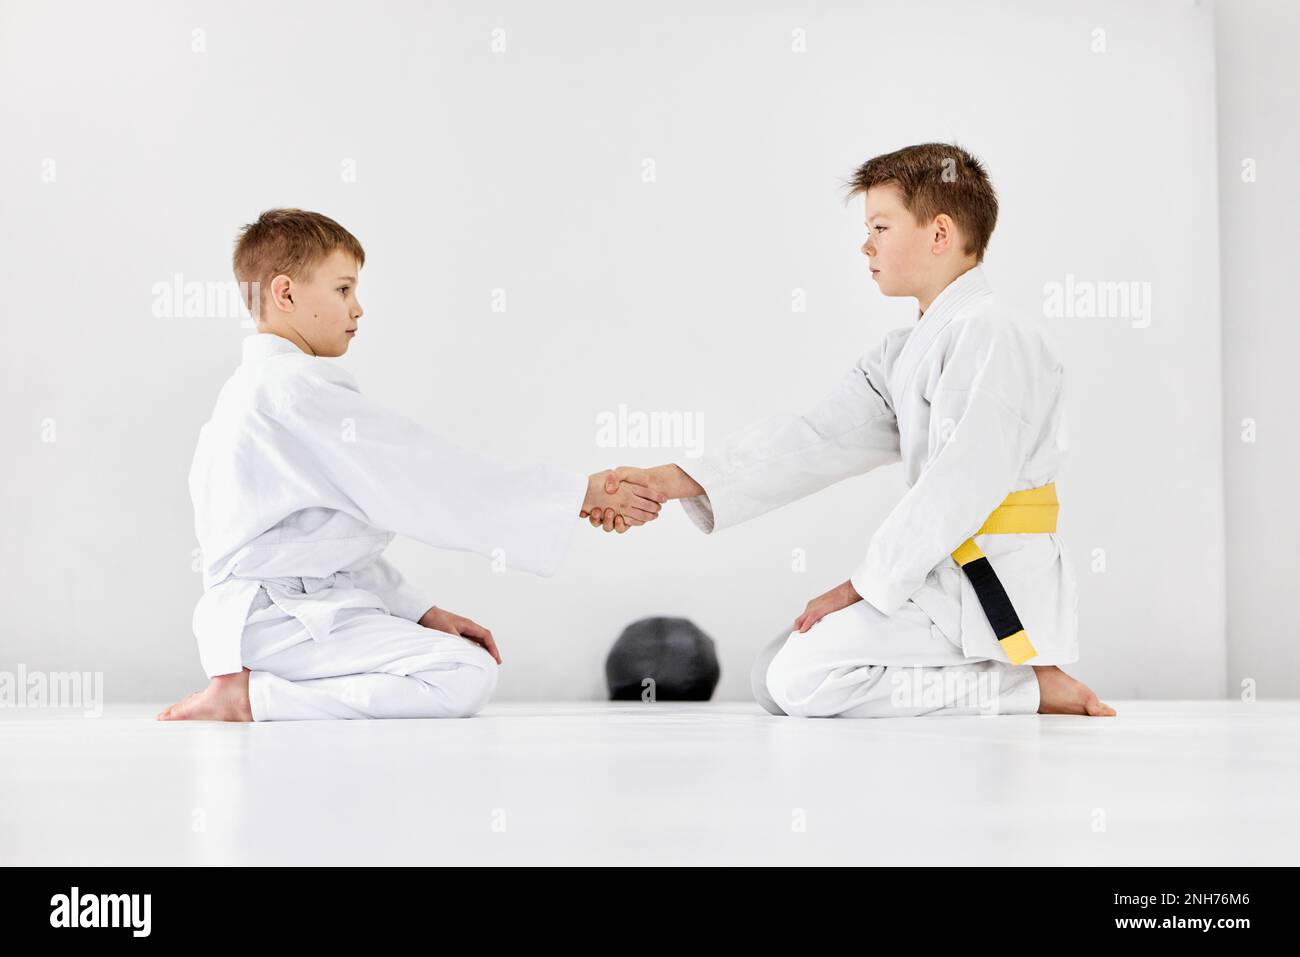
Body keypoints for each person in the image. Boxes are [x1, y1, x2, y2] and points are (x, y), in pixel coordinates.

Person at [587, 144, 1116, 719]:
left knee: (801, 677)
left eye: (881, 227)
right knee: (772, 674)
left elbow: (959, 486)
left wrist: (863, 586)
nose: (866, 245)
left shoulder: (994, 335)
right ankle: (1006, 678)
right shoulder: (907, 351)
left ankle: (1030, 688)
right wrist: (675, 480)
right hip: (941, 577)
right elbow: (816, 438)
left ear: (940, 233)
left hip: (989, 582)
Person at [158, 209, 665, 722]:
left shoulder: (257, 393)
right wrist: (579, 493)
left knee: (461, 666)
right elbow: (427, 477)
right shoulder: (290, 390)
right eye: (342, 289)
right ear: (285, 293)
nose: (358, 309)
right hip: (275, 621)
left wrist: (420, 612)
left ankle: (245, 690)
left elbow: (321, 544)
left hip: (273, 617)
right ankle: (249, 699)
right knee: (463, 675)